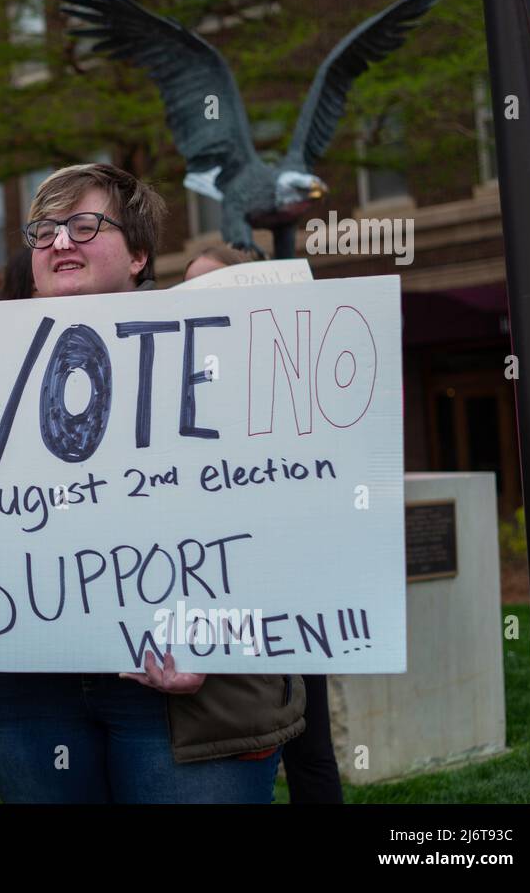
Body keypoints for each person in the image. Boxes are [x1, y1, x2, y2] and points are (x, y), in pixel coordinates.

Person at [0, 163, 306, 803]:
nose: (60, 242)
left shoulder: (226, 349)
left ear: (141, 254)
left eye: (85, 225)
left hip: (193, 700)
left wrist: (221, 632)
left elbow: (290, 507)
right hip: (34, 689)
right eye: (44, 231)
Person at [179, 245, 343, 803]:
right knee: (249, 738)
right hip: (216, 588)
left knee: (309, 741)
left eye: (213, 287)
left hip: (285, 582)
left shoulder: (288, 379)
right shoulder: (174, 388)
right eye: (187, 287)